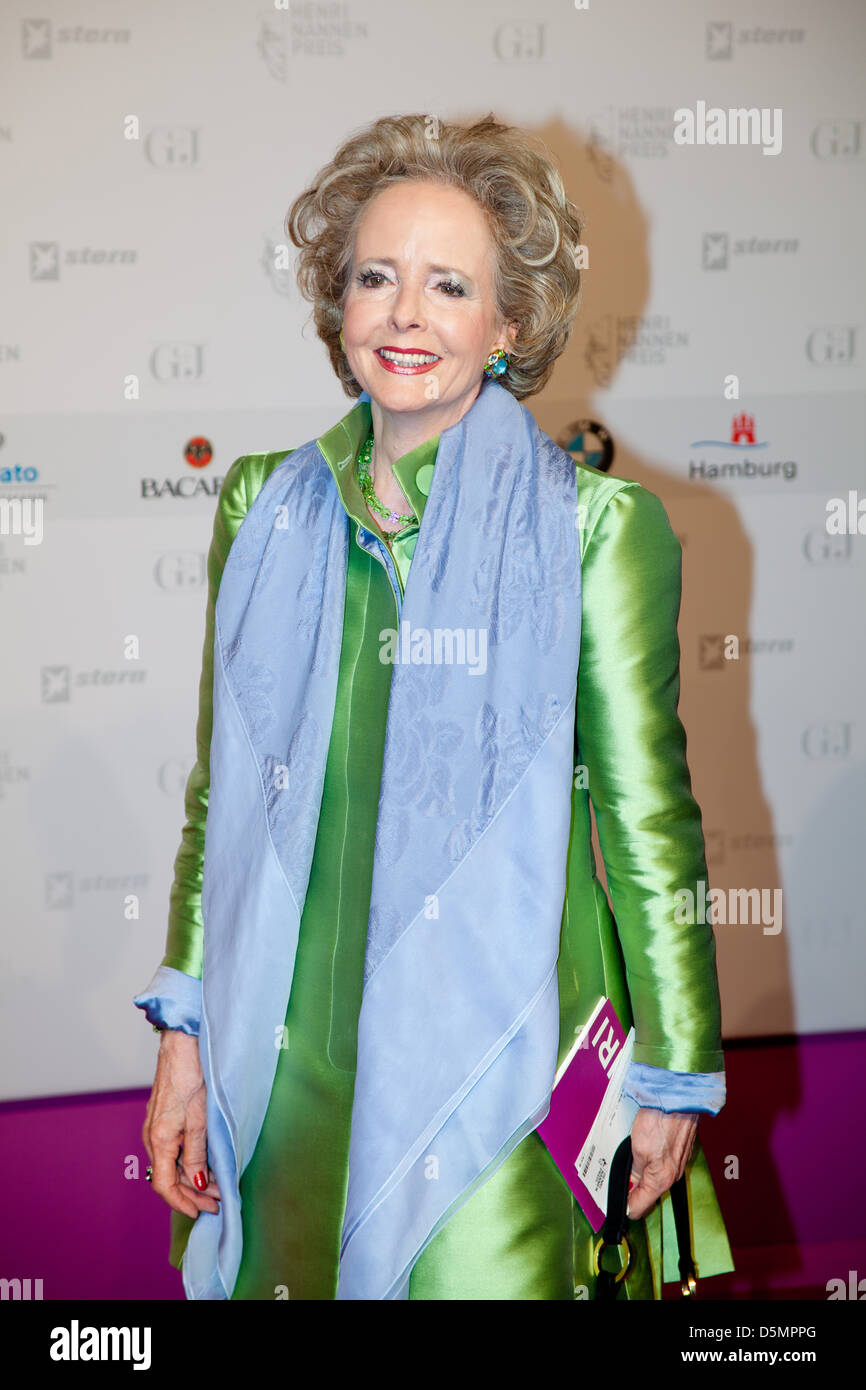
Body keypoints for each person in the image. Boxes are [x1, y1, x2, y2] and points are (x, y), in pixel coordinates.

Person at [135, 112, 733, 1301]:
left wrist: (673, 1066)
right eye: (375, 277)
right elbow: (222, 795)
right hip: (288, 1054)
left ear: (506, 324)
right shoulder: (265, 507)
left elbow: (647, 821)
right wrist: (185, 1033)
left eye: (448, 285)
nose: (405, 315)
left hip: (504, 1065)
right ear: (336, 304)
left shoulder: (597, 534)